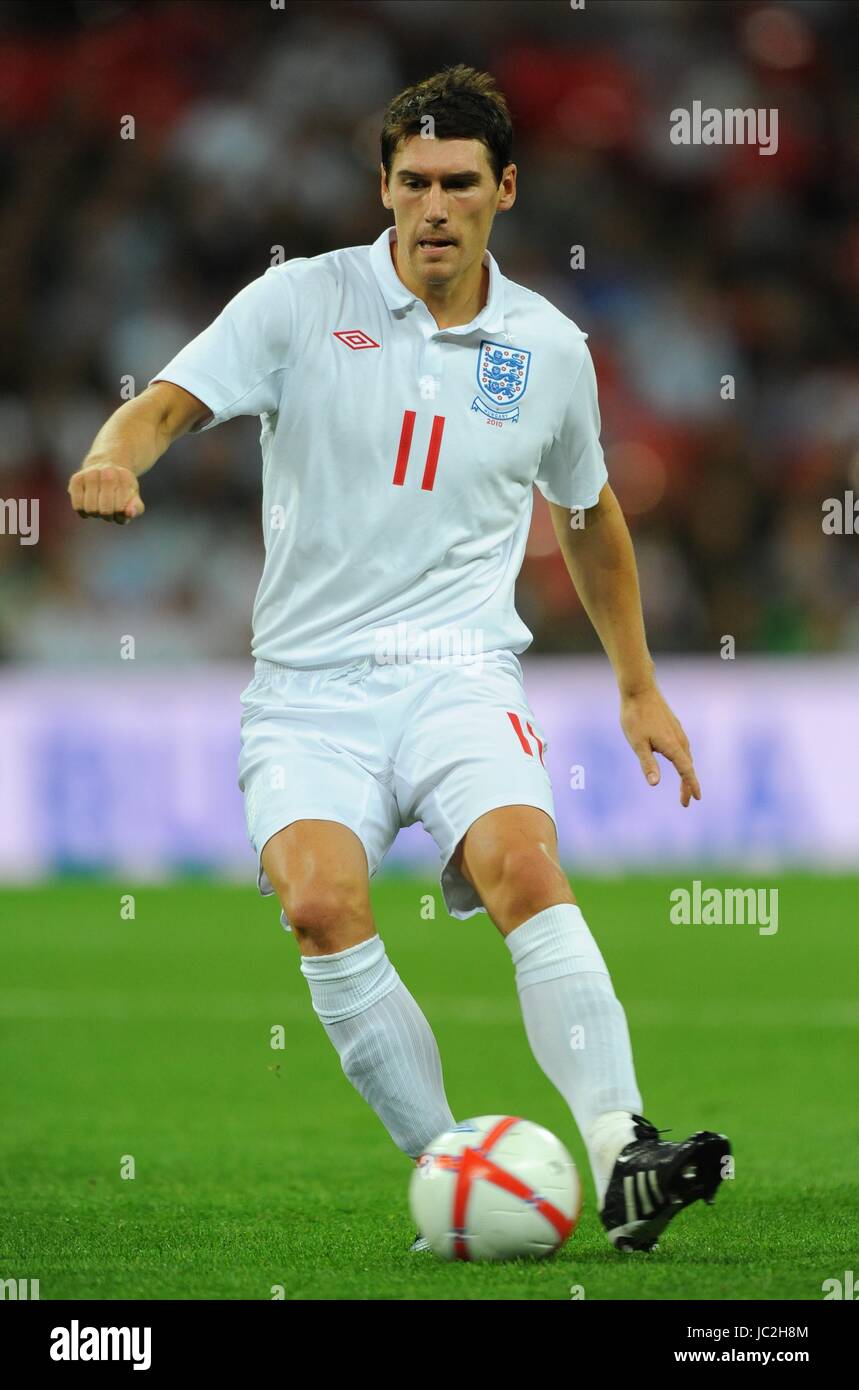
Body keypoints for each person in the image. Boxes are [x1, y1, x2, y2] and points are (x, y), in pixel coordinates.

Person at [67, 64, 730, 1254]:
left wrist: (637, 683)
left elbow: (588, 518)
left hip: (462, 674)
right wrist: (116, 456)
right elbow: (161, 405)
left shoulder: (548, 346)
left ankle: (626, 1148)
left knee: (525, 862)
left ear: (504, 191)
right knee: (320, 905)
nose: (434, 207)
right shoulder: (298, 302)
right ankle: (457, 1167)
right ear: (382, 186)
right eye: (413, 182)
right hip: (308, 693)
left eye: (460, 185)